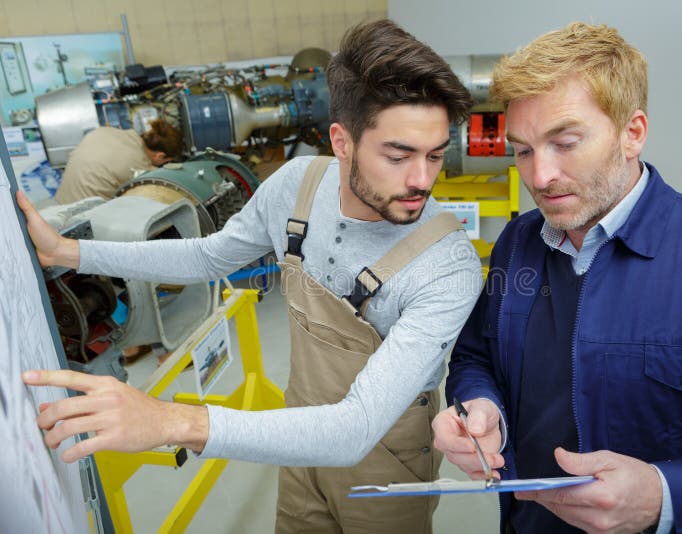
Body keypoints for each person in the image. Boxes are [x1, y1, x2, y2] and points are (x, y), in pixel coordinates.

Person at [20, 19, 482, 534]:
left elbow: (354, 428)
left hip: (384, 464)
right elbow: (208, 258)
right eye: (398, 155)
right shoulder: (296, 187)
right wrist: (69, 251)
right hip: (296, 441)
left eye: (435, 155)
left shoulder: (446, 267)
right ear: (342, 141)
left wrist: (173, 420)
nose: (422, 178)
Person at [432, 22, 682, 534]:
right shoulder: (516, 244)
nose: (540, 177)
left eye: (565, 142)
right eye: (523, 150)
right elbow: (476, 358)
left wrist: (665, 496)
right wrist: (480, 407)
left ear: (633, 133)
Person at [54, 118, 183, 204]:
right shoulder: (139, 166)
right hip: (81, 220)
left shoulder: (107, 131)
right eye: (167, 161)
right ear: (160, 156)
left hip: (60, 201)